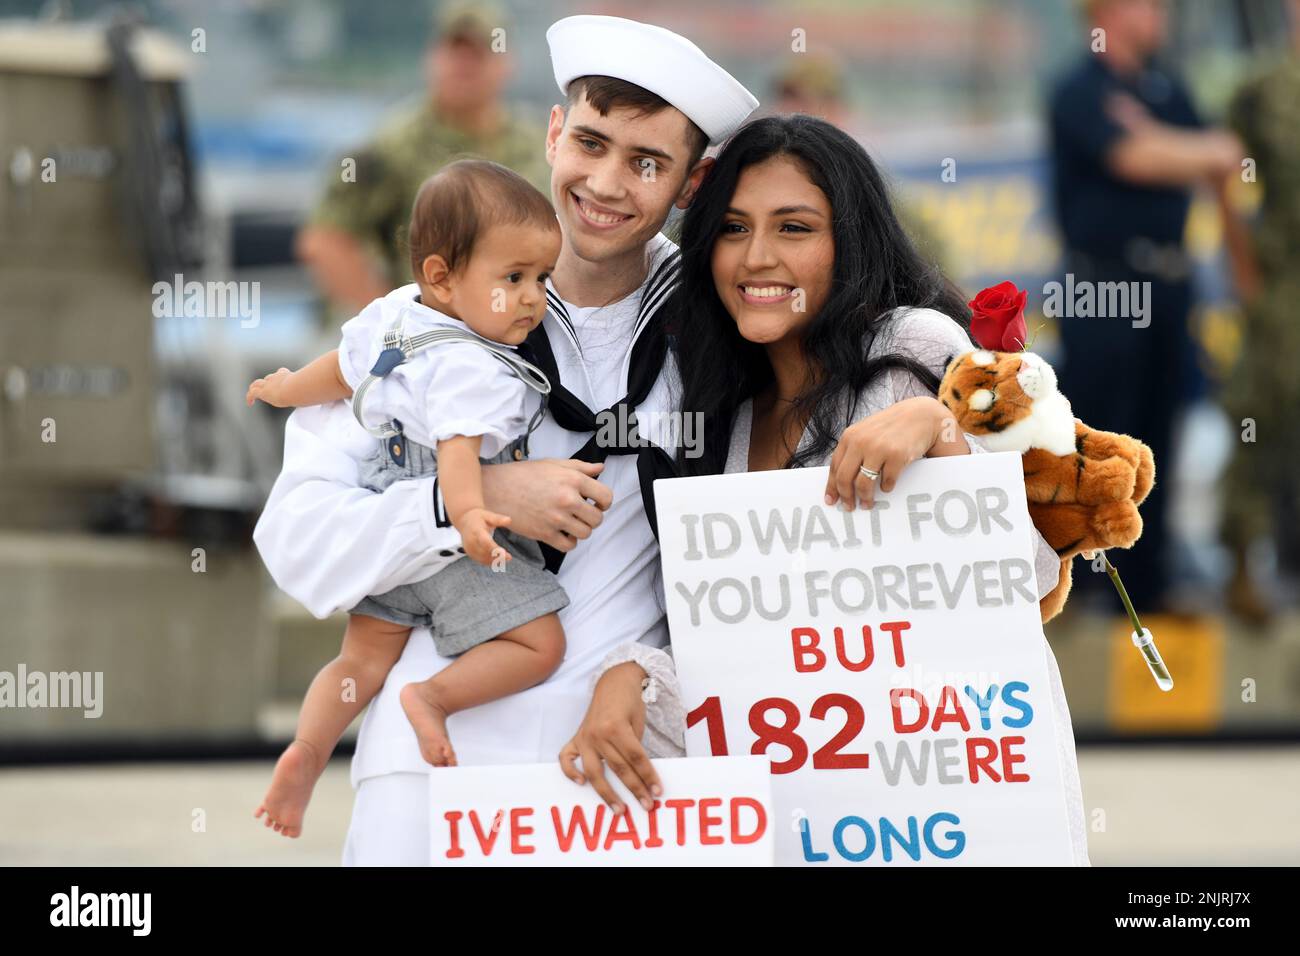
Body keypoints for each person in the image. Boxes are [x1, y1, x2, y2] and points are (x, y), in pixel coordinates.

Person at [253, 15, 759, 865]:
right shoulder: (419, 320)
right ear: (553, 133)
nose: (605, 182)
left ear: (689, 183)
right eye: (590, 143)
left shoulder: (724, 328)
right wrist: (470, 503)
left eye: (646, 162)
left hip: (622, 773)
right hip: (430, 770)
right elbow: (297, 544)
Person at [562, 114, 1090, 865]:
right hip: (825, 828)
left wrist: (934, 426)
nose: (758, 258)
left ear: (850, 242)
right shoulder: (722, 421)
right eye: (735, 229)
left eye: (795, 228)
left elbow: (1031, 577)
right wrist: (635, 677)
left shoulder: (917, 350)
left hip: (964, 821)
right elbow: (754, 667)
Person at [247, 161, 568, 837]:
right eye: (512, 279)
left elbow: (339, 372)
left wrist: (283, 389)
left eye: (542, 277)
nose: (535, 298)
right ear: (443, 276)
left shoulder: (394, 316)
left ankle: (307, 750)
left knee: (359, 661)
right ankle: (431, 698)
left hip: (384, 527)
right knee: (541, 644)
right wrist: (472, 518)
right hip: (455, 546)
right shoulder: (473, 366)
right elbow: (458, 454)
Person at [1046, 0, 1244, 613]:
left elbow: (1228, 154)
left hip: (1169, 283)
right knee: (1100, 436)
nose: (1157, 13)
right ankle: (1083, 588)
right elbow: (1134, 158)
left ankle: (1152, 588)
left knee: (1160, 436)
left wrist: (1164, 137)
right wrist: (1179, 147)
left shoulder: (1165, 87)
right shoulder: (1079, 87)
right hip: (1104, 286)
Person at [296, 2, 551, 315]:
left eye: (478, 54)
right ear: (432, 57)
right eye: (455, 52)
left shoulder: (537, 142)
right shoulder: (393, 144)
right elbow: (326, 240)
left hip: (524, 331)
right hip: (432, 340)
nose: (464, 65)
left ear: (507, 63)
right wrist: (396, 321)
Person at [1218, 0, 1300, 625]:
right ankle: (1243, 562)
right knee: (1260, 411)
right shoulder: (1264, 91)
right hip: (1284, 285)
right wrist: (1241, 266)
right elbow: (1220, 166)